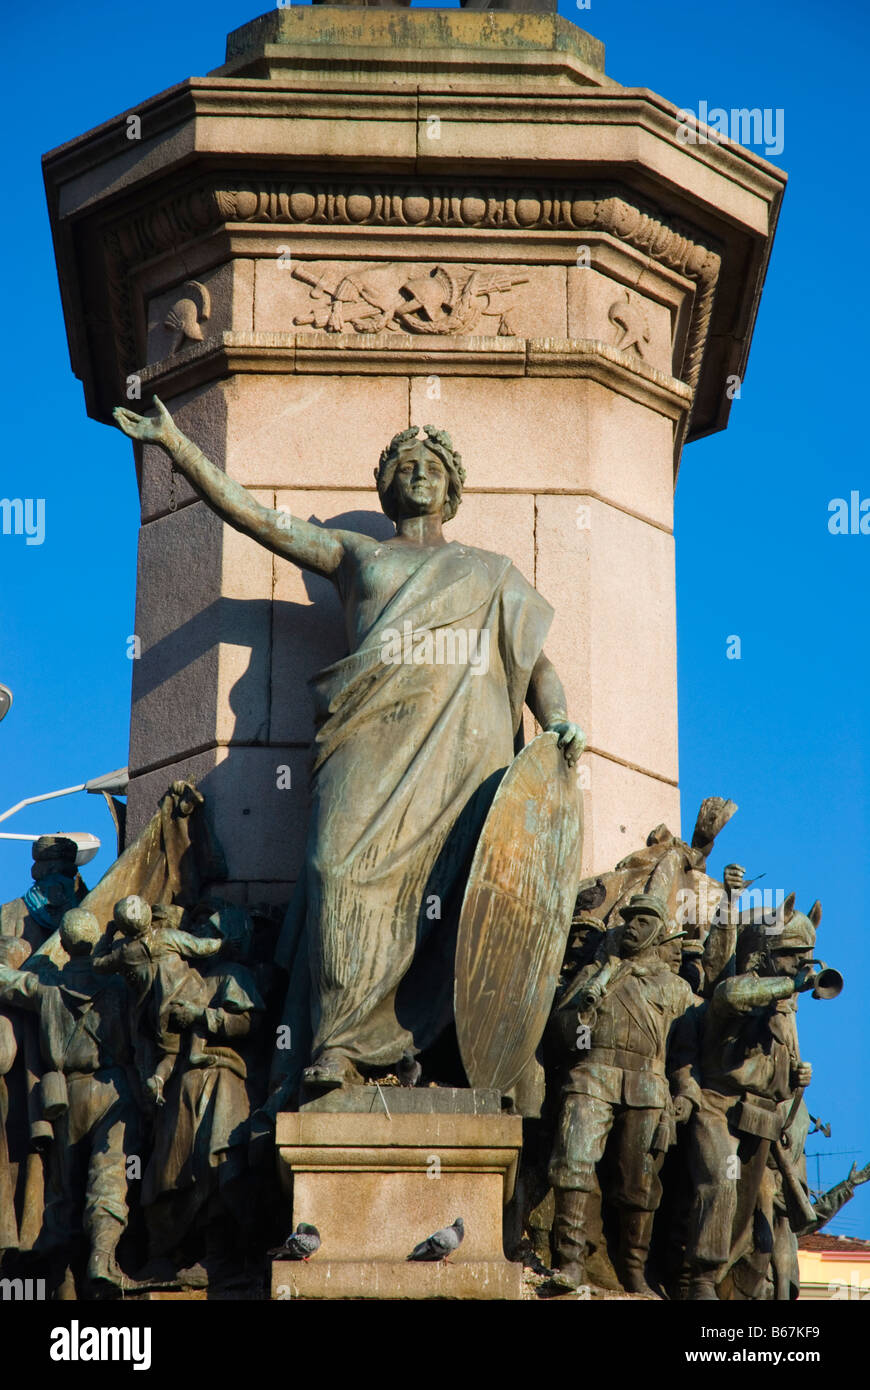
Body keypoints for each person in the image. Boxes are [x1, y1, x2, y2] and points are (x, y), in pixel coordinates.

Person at [114, 399, 585, 1090]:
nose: (418, 473)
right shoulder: (356, 555)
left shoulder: (492, 574)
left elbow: (537, 668)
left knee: (461, 893)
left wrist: (560, 724)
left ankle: (444, 1053)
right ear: (386, 489)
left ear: (453, 492)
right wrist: (178, 446)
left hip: (466, 756)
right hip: (369, 746)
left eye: (432, 466)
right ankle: (338, 1043)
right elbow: (256, 517)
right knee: (335, 871)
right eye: (405, 465)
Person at [547, 894, 696, 1294]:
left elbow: (685, 1055)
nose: (633, 927)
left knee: (640, 1183)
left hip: (648, 1086)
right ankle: (570, 1260)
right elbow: (560, 1035)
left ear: (658, 933)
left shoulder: (676, 989)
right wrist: (582, 1014)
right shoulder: (598, 974)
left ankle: (633, 1268)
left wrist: (686, 1094)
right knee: (573, 1161)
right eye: (629, 920)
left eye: (644, 921)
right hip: (592, 1074)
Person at [0, 908, 139, 1294]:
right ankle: (101, 1260)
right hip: (114, 1092)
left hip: (63, 1096)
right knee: (109, 1178)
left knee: (63, 1189)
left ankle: (60, 1279)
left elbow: (4, 980)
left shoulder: (45, 989)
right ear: (93, 943)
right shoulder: (118, 988)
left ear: (62, 944)